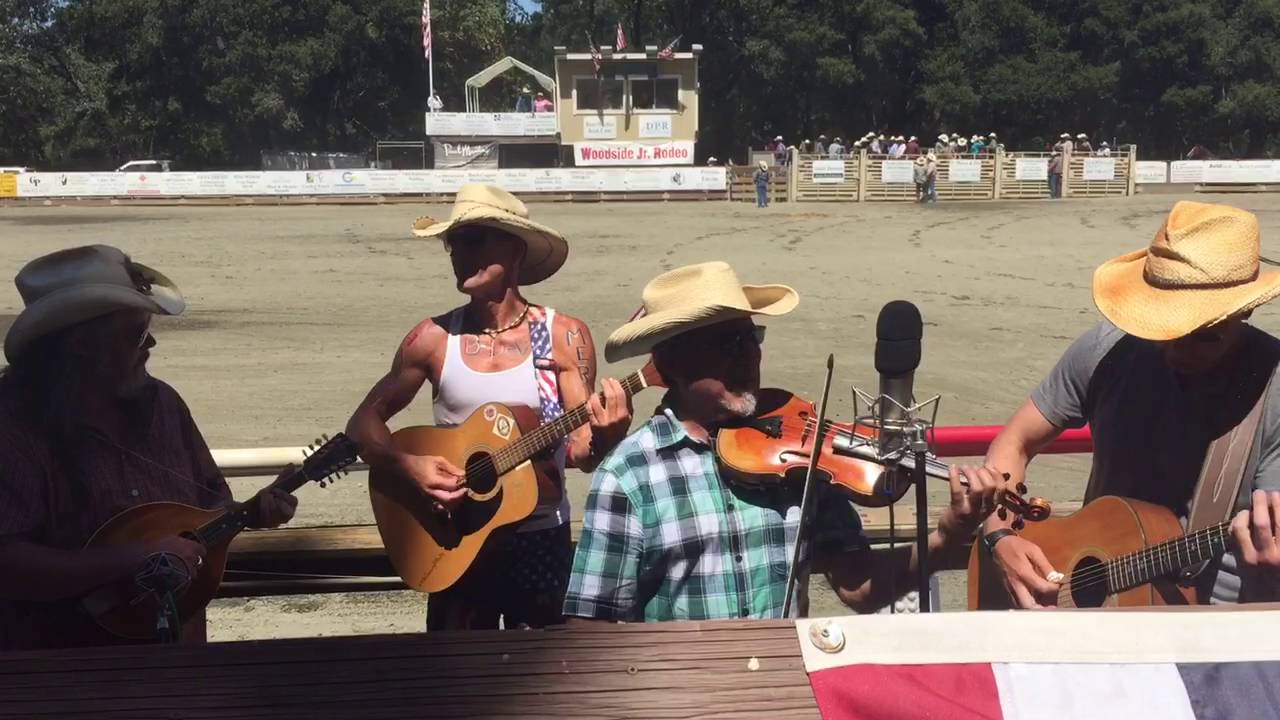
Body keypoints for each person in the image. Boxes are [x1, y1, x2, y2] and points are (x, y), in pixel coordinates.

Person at [562, 261, 1009, 622]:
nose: (749, 355)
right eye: (726, 343)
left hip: (784, 690)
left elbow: (859, 587)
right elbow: (592, 627)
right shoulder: (629, 475)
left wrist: (949, 533)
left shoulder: (801, 455)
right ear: (670, 363)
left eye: (751, 337)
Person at [346, 184, 632, 630]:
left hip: (539, 540)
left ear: (515, 249)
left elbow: (580, 452)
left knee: (545, 682)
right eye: (453, 242)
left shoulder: (562, 336)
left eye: (475, 238)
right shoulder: (433, 339)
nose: (460, 252)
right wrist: (408, 466)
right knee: (455, 683)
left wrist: (609, 436)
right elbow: (362, 424)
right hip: (455, 537)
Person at [978, 201, 1280, 608]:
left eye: (1203, 333)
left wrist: (1268, 579)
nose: (1177, 349)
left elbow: (1268, 540)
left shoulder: (1274, 390)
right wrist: (1001, 536)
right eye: (1162, 327)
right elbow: (1015, 441)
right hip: (1083, 599)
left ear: (1246, 310)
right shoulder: (1107, 351)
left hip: (1218, 630)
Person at [0, 245, 297, 651]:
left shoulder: (163, 405)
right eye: (137, 332)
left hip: (177, 648)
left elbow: (208, 509)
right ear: (80, 346)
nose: (151, 342)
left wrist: (250, 514)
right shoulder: (13, 425)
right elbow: (8, 563)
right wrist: (134, 559)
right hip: (54, 667)